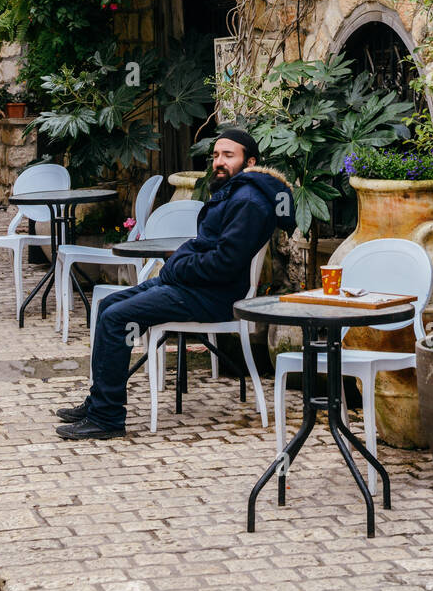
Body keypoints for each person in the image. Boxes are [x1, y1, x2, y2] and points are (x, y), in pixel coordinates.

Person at [55, 128, 294, 440]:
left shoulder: (249, 202)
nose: (219, 161)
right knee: (109, 306)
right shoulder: (237, 191)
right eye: (216, 155)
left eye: (228, 155)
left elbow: (224, 264)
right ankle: (99, 401)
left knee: (117, 317)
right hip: (193, 287)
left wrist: (178, 266)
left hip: (215, 297)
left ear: (249, 161)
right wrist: (179, 265)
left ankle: (107, 418)